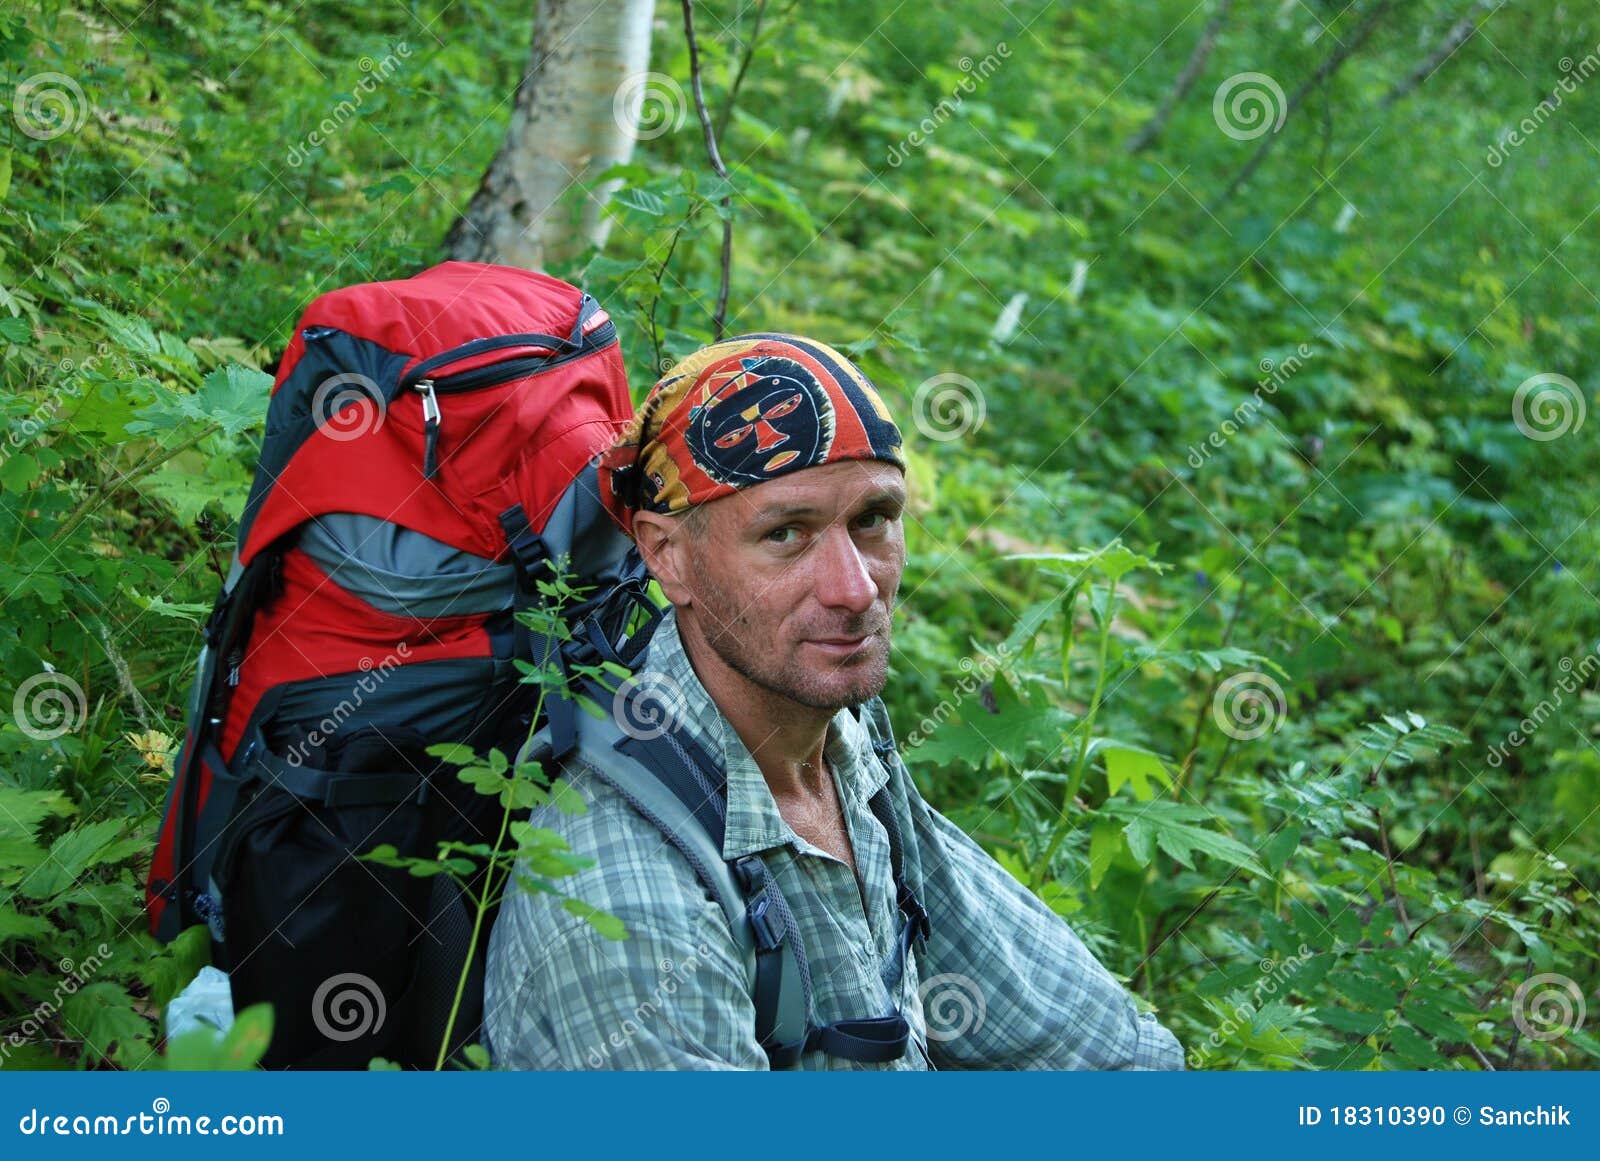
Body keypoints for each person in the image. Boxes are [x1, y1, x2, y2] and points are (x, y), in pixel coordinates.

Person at [484, 334, 1184, 1070]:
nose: (854, 589)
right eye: (786, 533)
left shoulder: (844, 743)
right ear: (668, 555)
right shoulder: (621, 896)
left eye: (873, 520)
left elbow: (1090, 1043)